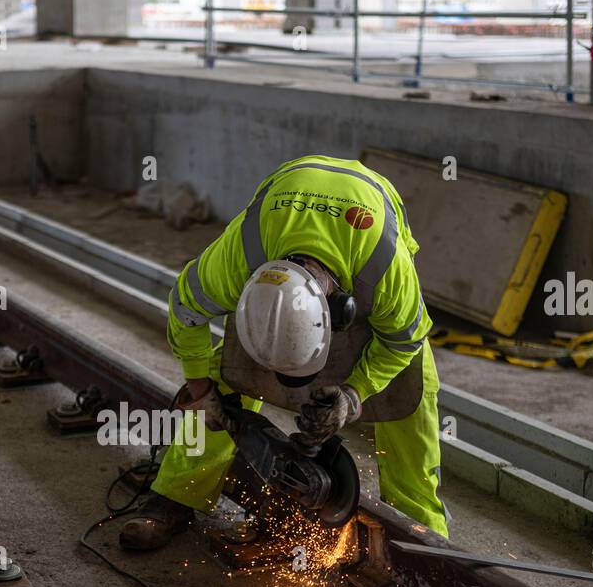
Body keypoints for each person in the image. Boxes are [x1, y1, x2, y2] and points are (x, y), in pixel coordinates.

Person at [120, 155, 448, 550]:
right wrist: (201, 389)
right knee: (225, 376)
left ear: (337, 317)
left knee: (411, 393)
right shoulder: (236, 259)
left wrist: (355, 392)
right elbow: (185, 310)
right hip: (290, 219)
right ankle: (175, 493)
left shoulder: (384, 270)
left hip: (357, 245)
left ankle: (422, 544)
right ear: (246, 298)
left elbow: (404, 340)